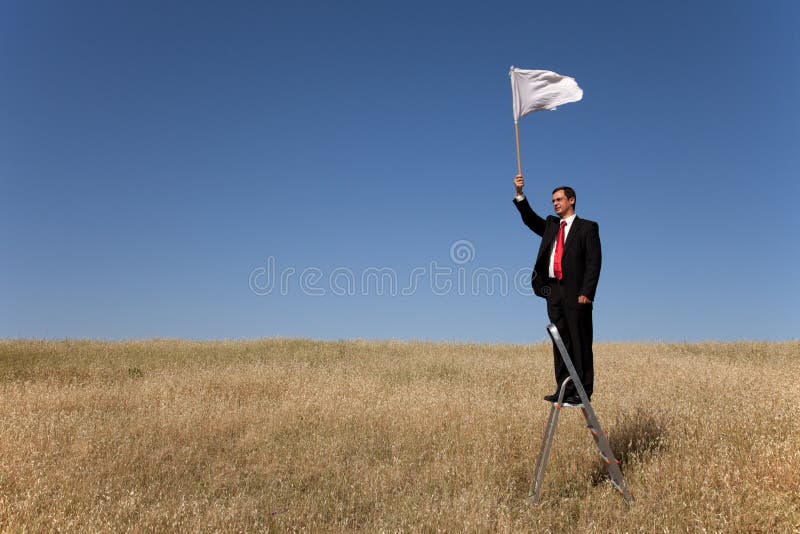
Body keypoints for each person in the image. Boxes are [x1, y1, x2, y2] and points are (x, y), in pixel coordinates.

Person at [513, 174, 601, 405]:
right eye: (553, 200)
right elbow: (531, 220)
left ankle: (583, 392)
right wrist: (520, 195)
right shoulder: (552, 226)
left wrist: (587, 292)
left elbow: (594, 262)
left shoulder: (587, 228)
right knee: (560, 340)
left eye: (559, 199)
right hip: (553, 291)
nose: (555, 203)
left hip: (576, 292)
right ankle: (564, 388)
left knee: (580, 339)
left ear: (571, 200)